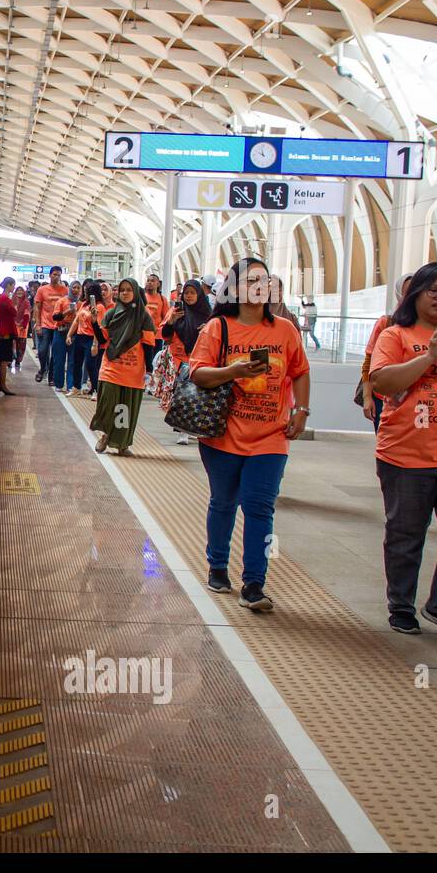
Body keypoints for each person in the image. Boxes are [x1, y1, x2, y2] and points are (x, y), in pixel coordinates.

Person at [188, 258, 310, 612]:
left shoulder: (285, 330)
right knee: (223, 502)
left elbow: (300, 371)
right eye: (251, 280)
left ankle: (255, 583)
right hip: (222, 434)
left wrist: (301, 410)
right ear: (234, 289)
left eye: (265, 279)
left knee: (260, 507)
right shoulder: (217, 328)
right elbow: (198, 374)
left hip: (271, 437)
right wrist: (234, 370)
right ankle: (217, 565)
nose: (260, 285)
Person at [369, 262, 437, 640]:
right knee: (406, 534)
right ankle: (401, 605)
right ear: (416, 293)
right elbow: (382, 382)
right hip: (404, 452)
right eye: (434, 290)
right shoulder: (395, 335)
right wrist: (429, 355)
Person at [89, 278, 157, 454]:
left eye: (129, 290)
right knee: (107, 405)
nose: (125, 293)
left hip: (133, 372)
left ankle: (122, 444)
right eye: (122, 290)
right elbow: (103, 339)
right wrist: (95, 322)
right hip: (111, 367)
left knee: (125, 409)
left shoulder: (143, 316)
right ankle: (106, 435)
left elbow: (149, 345)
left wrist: (149, 370)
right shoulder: (111, 314)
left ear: (135, 292)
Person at [160, 278, 213, 444]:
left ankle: (191, 428)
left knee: (196, 396)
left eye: (192, 293)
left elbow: (215, 338)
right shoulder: (175, 311)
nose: (189, 296)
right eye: (186, 293)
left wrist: (207, 328)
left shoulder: (209, 315)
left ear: (199, 294)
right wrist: (171, 322)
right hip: (179, 359)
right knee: (181, 396)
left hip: (199, 360)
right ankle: (181, 431)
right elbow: (165, 336)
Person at [361, 274, 412, 432]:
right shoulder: (386, 323)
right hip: (382, 399)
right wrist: (367, 397)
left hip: (415, 401)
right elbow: (369, 363)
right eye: (407, 292)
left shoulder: (432, 326)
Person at [65, 283, 98, 397]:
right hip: (80, 337)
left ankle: (95, 390)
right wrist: (69, 335)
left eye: (87, 291)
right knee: (76, 363)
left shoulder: (99, 306)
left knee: (90, 365)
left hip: (91, 338)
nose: (85, 294)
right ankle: (76, 388)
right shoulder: (84, 304)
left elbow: (99, 327)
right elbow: (76, 321)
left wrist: (95, 343)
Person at [0, 278, 20, 395]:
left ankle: (1, 384)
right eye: (13, 285)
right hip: (5, 332)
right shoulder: (5, 298)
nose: (14, 288)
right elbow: (14, 313)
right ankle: (3, 384)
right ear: (9, 285)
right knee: (4, 360)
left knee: (3, 359)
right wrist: (15, 304)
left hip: (3, 330)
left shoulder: (1, 298)